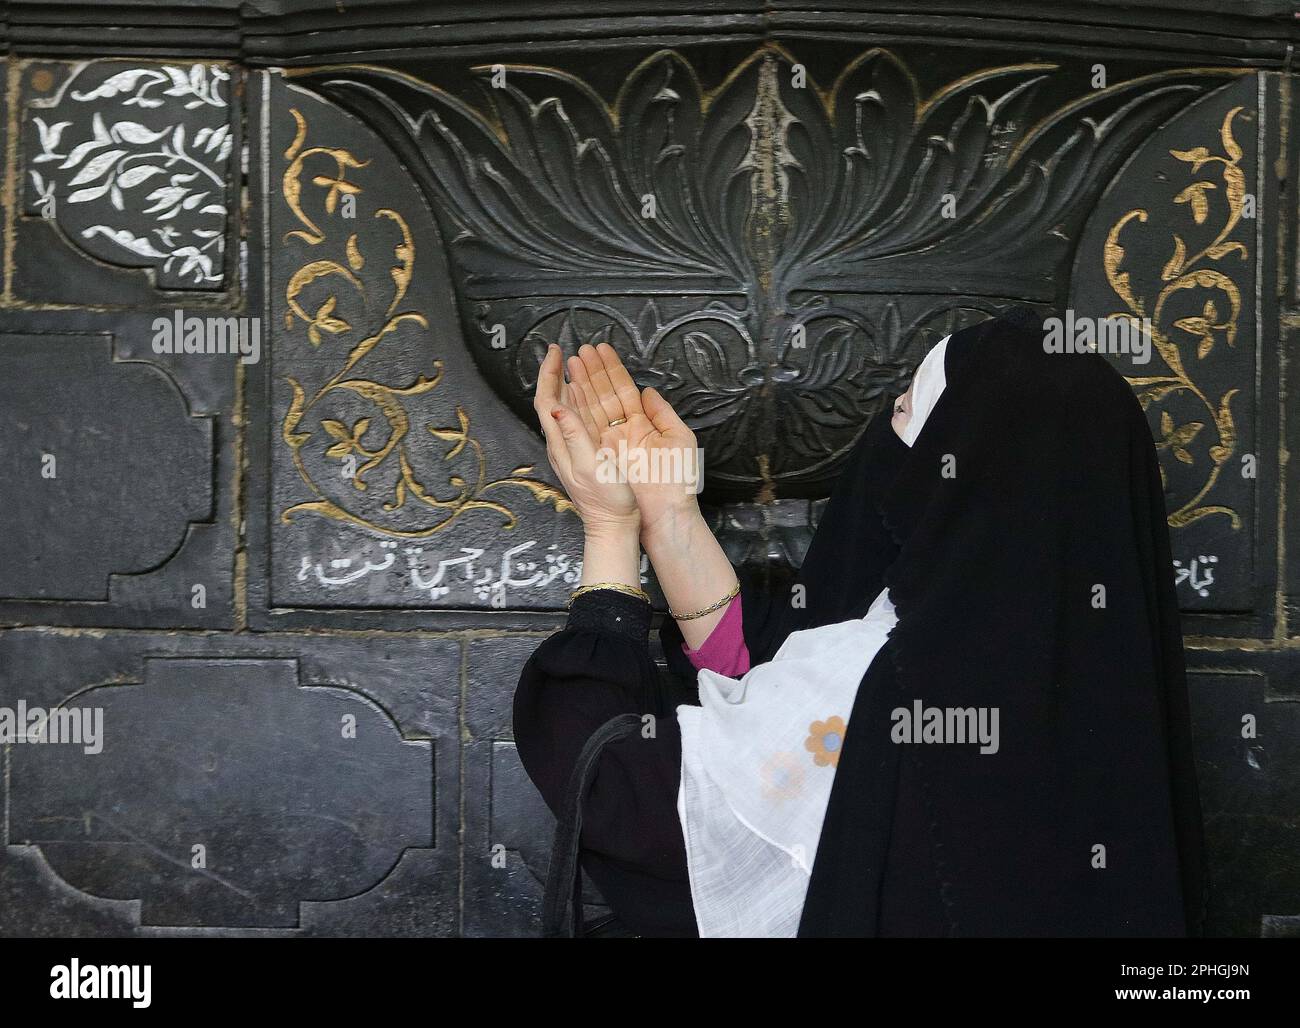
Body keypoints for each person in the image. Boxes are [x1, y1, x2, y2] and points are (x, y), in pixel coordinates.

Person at [513, 305, 1207, 938]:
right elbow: (793, 691)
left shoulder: (896, 680)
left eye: (906, 411)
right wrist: (669, 519)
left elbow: (615, 787)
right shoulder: (1108, 688)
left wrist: (610, 528)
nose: (886, 433)